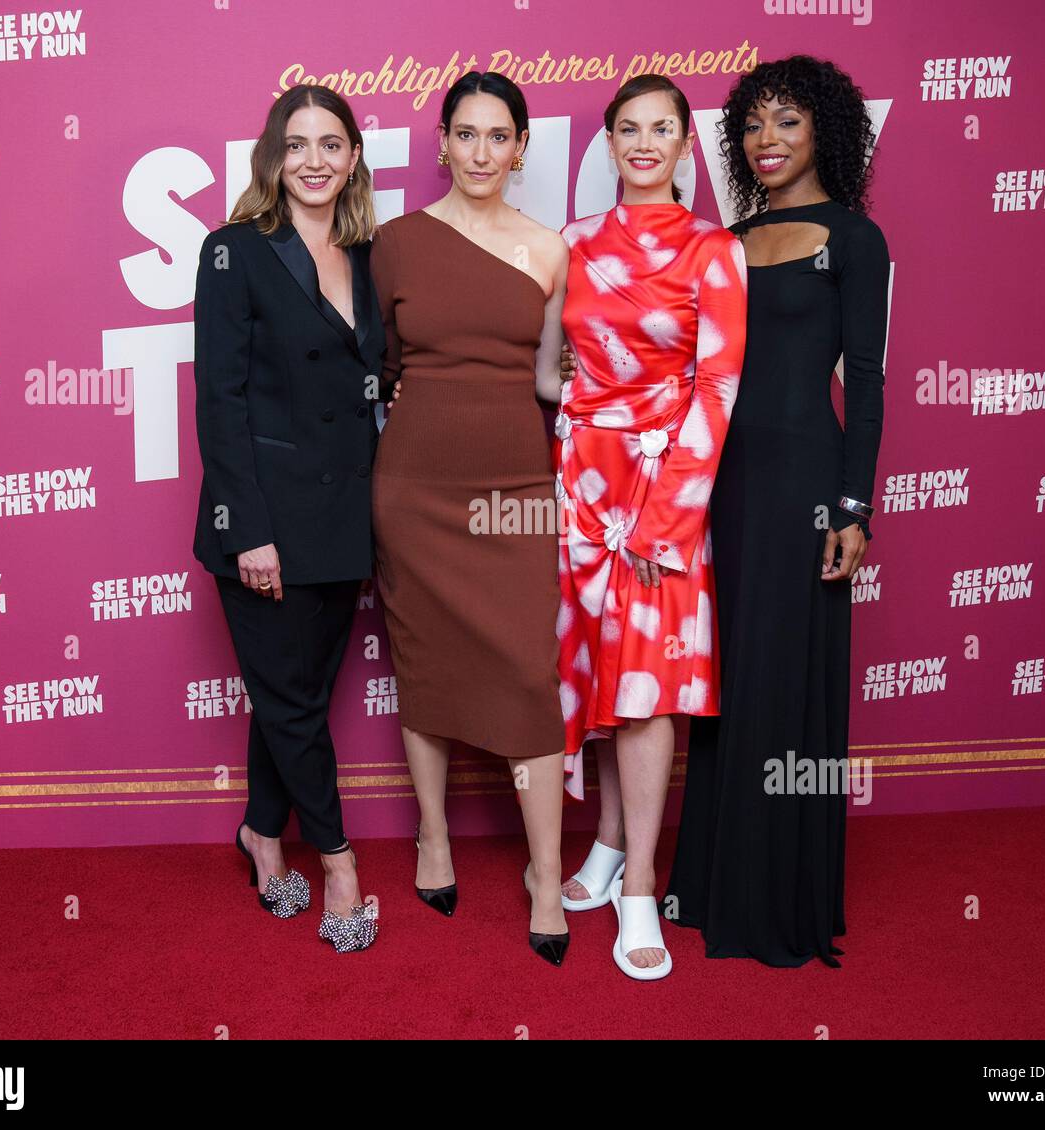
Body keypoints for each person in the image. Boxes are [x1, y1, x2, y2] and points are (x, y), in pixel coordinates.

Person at [664, 55, 890, 968]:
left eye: (788, 121)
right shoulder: (723, 241)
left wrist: (854, 508)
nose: (767, 139)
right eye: (753, 123)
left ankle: (780, 897)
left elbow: (865, 385)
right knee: (727, 677)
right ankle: (714, 880)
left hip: (806, 487)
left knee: (786, 675)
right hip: (722, 486)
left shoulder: (854, 239)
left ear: (824, 131)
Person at [369, 72, 572, 965]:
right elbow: (378, 365)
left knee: (528, 670)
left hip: (515, 486)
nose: (481, 152)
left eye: (498, 136)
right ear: (442, 143)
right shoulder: (396, 244)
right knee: (426, 664)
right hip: (414, 487)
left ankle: (545, 871)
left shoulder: (549, 249)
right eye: (466, 134)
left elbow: (546, 378)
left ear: (520, 148)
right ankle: (434, 836)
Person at [556, 75, 748, 980]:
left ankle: (640, 887)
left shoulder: (715, 248)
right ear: (608, 143)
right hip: (582, 487)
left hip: (664, 492)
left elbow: (718, 388)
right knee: (602, 673)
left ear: (683, 144)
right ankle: (604, 845)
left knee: (648, 686)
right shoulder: (574, 242)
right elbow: (555, 370)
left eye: (660, 128)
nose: (642, 143)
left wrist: (665, 519)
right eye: (627, 129)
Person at [192, 84, 384, 953]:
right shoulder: (233, 250)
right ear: (274, 155)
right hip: (265, 518)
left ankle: (260, 833)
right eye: (297, 144)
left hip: (345, 517)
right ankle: (338, 862)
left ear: (352, 158)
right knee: (292, 702)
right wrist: (248, 531)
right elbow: (220, 403)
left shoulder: (369, 253)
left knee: (293, 697)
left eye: (330, 144)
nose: (314, 160)